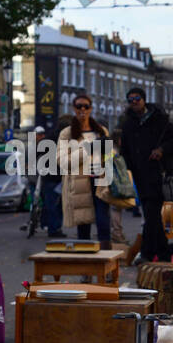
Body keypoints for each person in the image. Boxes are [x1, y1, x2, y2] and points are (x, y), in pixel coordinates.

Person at [118, 87, 173, 263]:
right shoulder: (128, 124)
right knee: (152, 216)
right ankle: (163, 253)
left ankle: (147, 253)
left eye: (137, 98)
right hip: (140, 176)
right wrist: (129, 167)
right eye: (130, 99)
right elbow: (125, 149)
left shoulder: (159, 120)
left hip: (158, 175)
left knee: (151, 213)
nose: (134, 102)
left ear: (144, 100)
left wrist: (162, 150)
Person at [57, 95, 111, 246]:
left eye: (86, 106)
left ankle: (106, 256)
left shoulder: (101, 131)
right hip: (80, 182)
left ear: (91, 109)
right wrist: (89, 149)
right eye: (79, 106)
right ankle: (85, 258)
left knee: (103, 220)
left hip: (100, 179)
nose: (82, 109)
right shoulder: (67, 133)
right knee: (83, 222)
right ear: (74, 109)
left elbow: (109, 158)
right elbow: (62, 161)